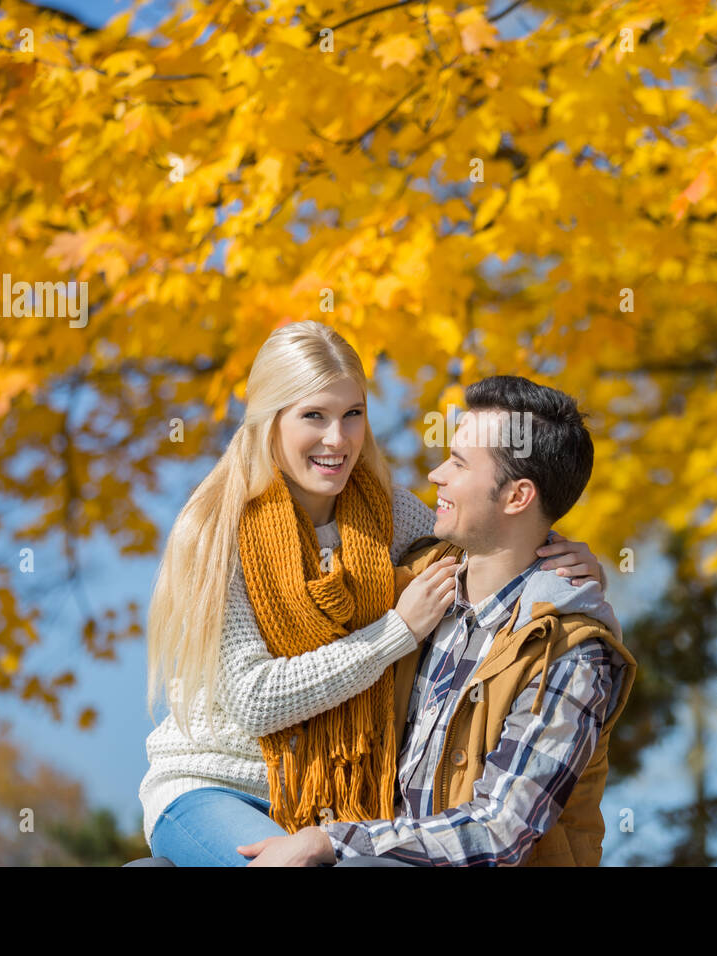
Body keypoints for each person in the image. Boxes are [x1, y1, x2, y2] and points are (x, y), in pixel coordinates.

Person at [138, 322, 607, 866]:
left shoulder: (389, 513)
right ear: (271, 420)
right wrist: (395, 634)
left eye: (352, 414)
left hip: (340, 802)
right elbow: (254, 702)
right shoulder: (215, 532)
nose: (337, 439)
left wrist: (569, 560)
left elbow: (488, 539)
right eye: (313, 415)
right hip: (218, 782)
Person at [234, 375, 637, 867]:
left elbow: (501, 830)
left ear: (517, 497)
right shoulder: (417, 583)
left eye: (460, 464)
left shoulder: (570, 654)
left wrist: (330, 841)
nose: (436, 475)